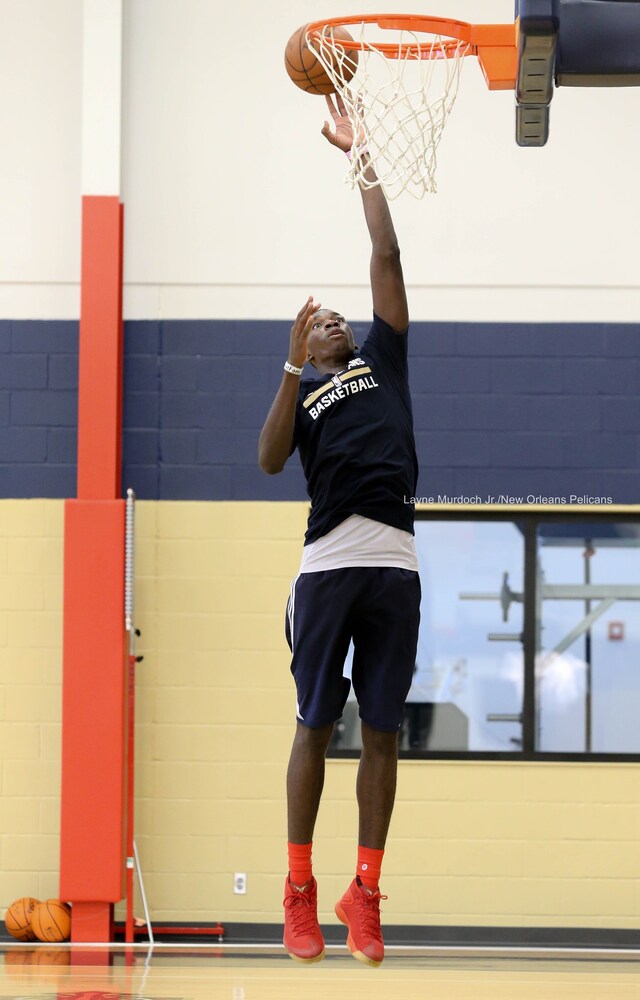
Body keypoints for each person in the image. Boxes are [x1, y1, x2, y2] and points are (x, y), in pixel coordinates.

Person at [258, 93, 421, 968]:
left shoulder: (382, 360)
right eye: (319, 319)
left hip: (396, 558)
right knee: (317, 723)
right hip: (329, 562)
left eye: (336, 317)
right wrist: (289, 364)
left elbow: (386, 252)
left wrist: (359, 158)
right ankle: (298, 888)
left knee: (386, 730)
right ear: (304, 339)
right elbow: (268, 461)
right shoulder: (307, 391)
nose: (335, 319)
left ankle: (365, 888)